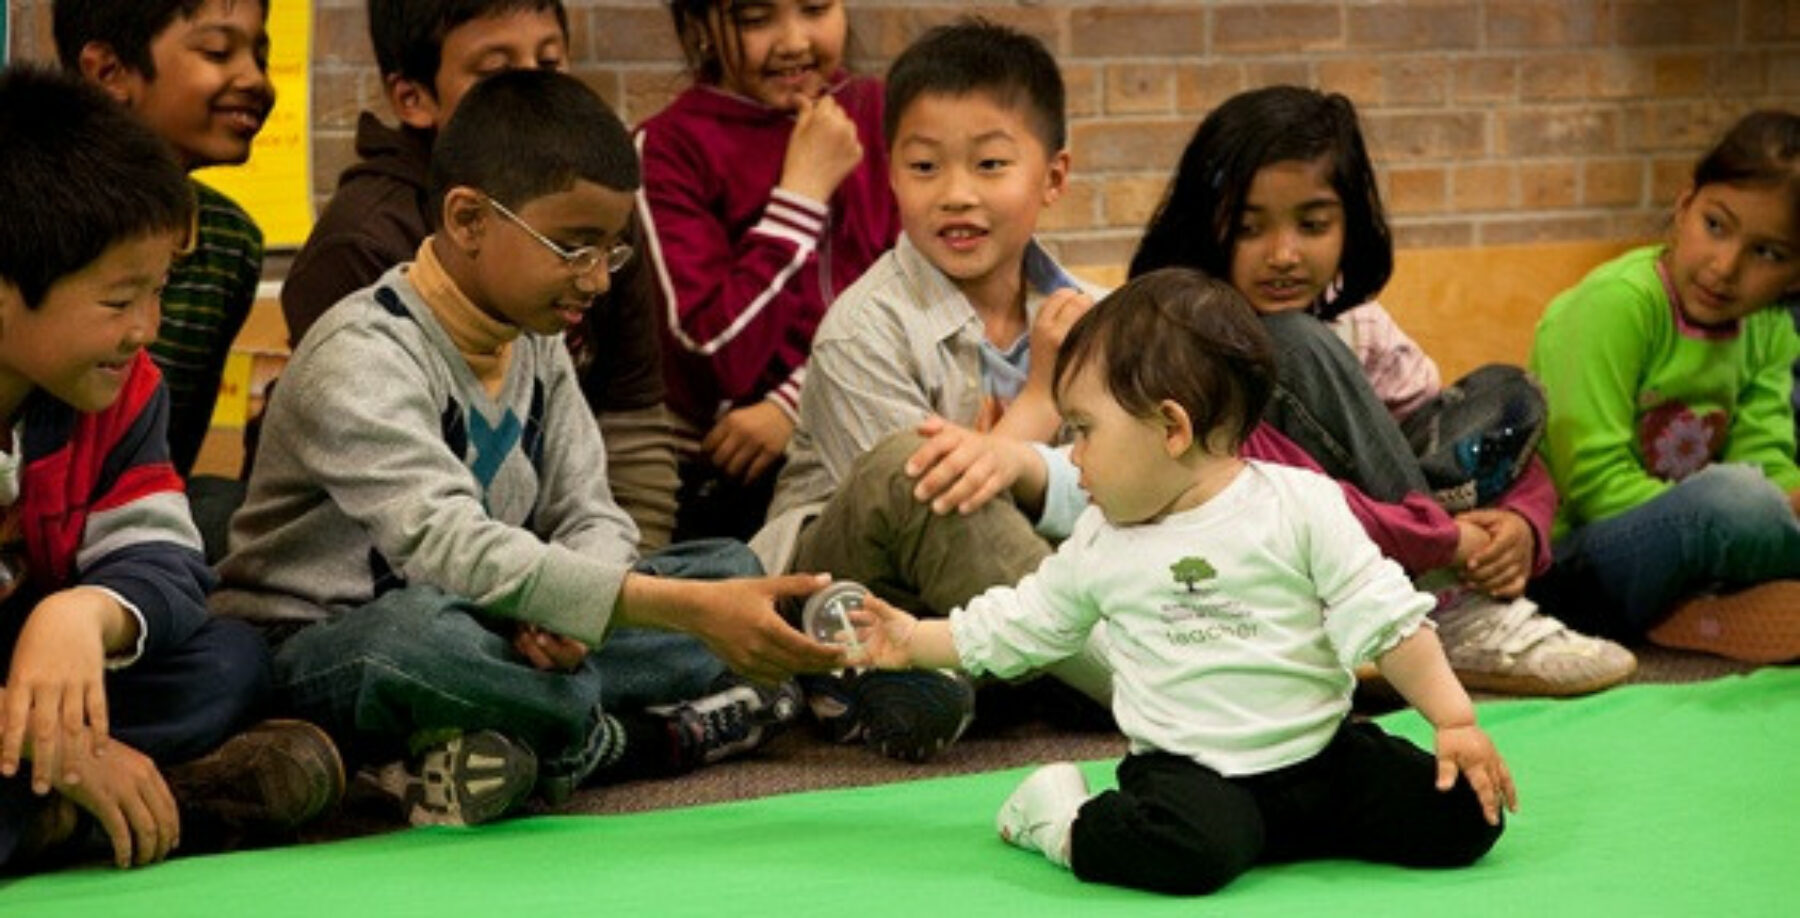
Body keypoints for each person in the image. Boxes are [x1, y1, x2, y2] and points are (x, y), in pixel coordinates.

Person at [212, 69, 845, 828]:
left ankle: (487, 742)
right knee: (418, 640)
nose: (596, 281)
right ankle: (630, 738)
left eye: (610, 253)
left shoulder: (535, 338)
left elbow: (592, 512)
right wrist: (661, 610)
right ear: (469, 218)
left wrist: (575, 618)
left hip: (497, 619)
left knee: (731, 569)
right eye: (574, 248)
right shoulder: (359, 353)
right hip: (333, 644)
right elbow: (445, 545)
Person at [851, 268, 1515, 895]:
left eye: (1082, 431)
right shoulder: (1102, 542)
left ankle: (1288, 830)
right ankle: (1057, 819)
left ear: (1171, 427)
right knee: (1188, 851)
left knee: (1466, 817)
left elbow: (1386, 617)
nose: (1070, 455)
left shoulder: (1302, 503)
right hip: (1195, 777)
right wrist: (914, 640)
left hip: (1321, 754)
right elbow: (1019, 624)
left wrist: (1453, 720)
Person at [1130, 85, 1635, 697]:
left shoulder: (1360, 325)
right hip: (1262, 571)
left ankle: (1424, 606)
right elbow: (1286, 500)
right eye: (1248, 228)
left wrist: (1520, 525)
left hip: (1389, 545)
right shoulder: (1182, 347)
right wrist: (1444, 543)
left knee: (1501, 393)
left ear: (1349, 224)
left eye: (1312, 224)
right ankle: (1440, 610)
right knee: (1289, 341)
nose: (1283, 255)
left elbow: (1442, 439)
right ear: (1204, 226)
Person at [0, 66, 340, 874]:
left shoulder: (118, 390)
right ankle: (84, 808)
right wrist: (74, 756)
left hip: (32, 671)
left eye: (157, 292)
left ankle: (55, 810)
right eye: (118, 302)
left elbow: (165, 559)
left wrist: (86, 614)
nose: (145, 329)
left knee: (228, 662)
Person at [751, 18, 1110, 762]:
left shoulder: (1092, 316)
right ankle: (1163, 684)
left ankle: (997, 678)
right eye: (924, 168)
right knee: (916, 471)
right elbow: (929, 508)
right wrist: (1041, 403)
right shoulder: (864, 327)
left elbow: (1126, 492)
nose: (955, 195)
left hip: (1021, 588)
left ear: (1053, 178)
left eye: (989, 165)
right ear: (889, 174)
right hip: (864, 579)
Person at [278, 0, 678, 552]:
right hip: (389, 582)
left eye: (550, 64)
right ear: (413, 98)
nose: (596, 278)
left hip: (533, 571)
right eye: (497, 73)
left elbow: (622, 461)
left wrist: (618, 593)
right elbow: (429, 535)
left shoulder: (585, 239)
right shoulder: (364, 248)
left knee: (726, 563)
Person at [1529, 110, 1800, 664]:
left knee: (1748, 502)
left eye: (1767, 253)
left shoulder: (1769, 329)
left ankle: (1698, 611)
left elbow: (1767, 460)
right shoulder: (1617, 304)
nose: (1725, 267)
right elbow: (1594, 488)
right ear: (1683, 207)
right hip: (1569, 565)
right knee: (1736, 503)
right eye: (1716, 225)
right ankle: (1701, 598)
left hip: (1693, 539)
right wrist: (1727, 524)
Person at [638, 0, 899, 542]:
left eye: (815, 8)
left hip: (883, 431)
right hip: (737, 484)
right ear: (699, 26)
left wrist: (797, 403)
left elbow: (929, 289)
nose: (794, 41)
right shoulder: (669, 147)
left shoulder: (883, 113)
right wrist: (801, 196)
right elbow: (713, 356)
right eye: (755, 19)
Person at [53, 0, 274, 480]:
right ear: (109, 71)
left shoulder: (228, 244)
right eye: (218, 52)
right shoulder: (38, 223)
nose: (255, 79)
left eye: (261, 55)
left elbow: (171, 458)